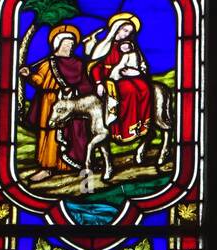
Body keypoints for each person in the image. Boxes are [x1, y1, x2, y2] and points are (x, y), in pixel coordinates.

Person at [20, 25, 93, 180]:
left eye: (72, 44)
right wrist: (28, 75)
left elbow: (86, 85)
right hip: (49, 103)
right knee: (49, 133)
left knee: (75, 134)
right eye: (66, 43)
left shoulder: (80, 64)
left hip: (72, 104)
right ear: (57, 44)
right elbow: (39, 81)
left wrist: (74, 92)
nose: (70, 46)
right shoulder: (47, 63)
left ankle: (69, 165)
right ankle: (47, 167)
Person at [86, 13, 151, 143]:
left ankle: (140, 126)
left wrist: (135, 72)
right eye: (125, 30)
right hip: (108, 79)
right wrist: (99, 83)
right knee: (129, 91)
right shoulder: (104, 46)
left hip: (127, 76)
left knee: (144, 88)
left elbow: (140, 64)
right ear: (117, 28)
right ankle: (121, 130)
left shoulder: (130, 47)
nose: (126, 34)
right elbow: (95, 67)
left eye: (129, 32)